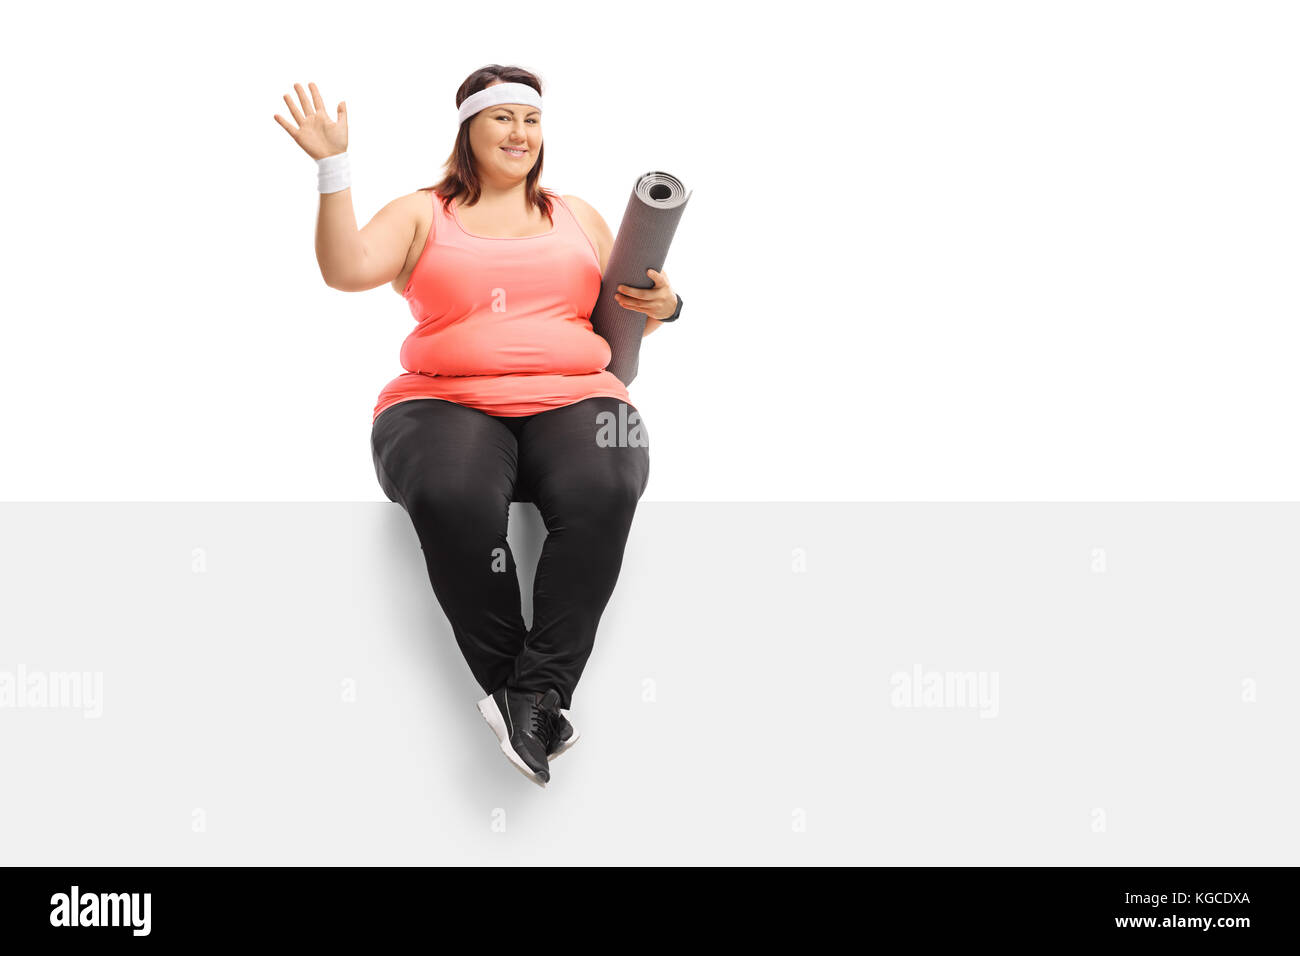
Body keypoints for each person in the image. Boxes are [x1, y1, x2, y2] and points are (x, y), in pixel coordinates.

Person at [274, 66, 682, 788]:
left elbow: (631, 304)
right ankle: (526, 692)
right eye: (503, 119)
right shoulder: (423, 213)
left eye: (531, 119)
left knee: (607, 483)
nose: (520, 133)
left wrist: (668, 306)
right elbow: (345, 269)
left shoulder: (578, 214)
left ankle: (533, 693)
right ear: (468, 129)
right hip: (442, 401)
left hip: (576, 395)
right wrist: (332, 167)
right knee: (452, 495)